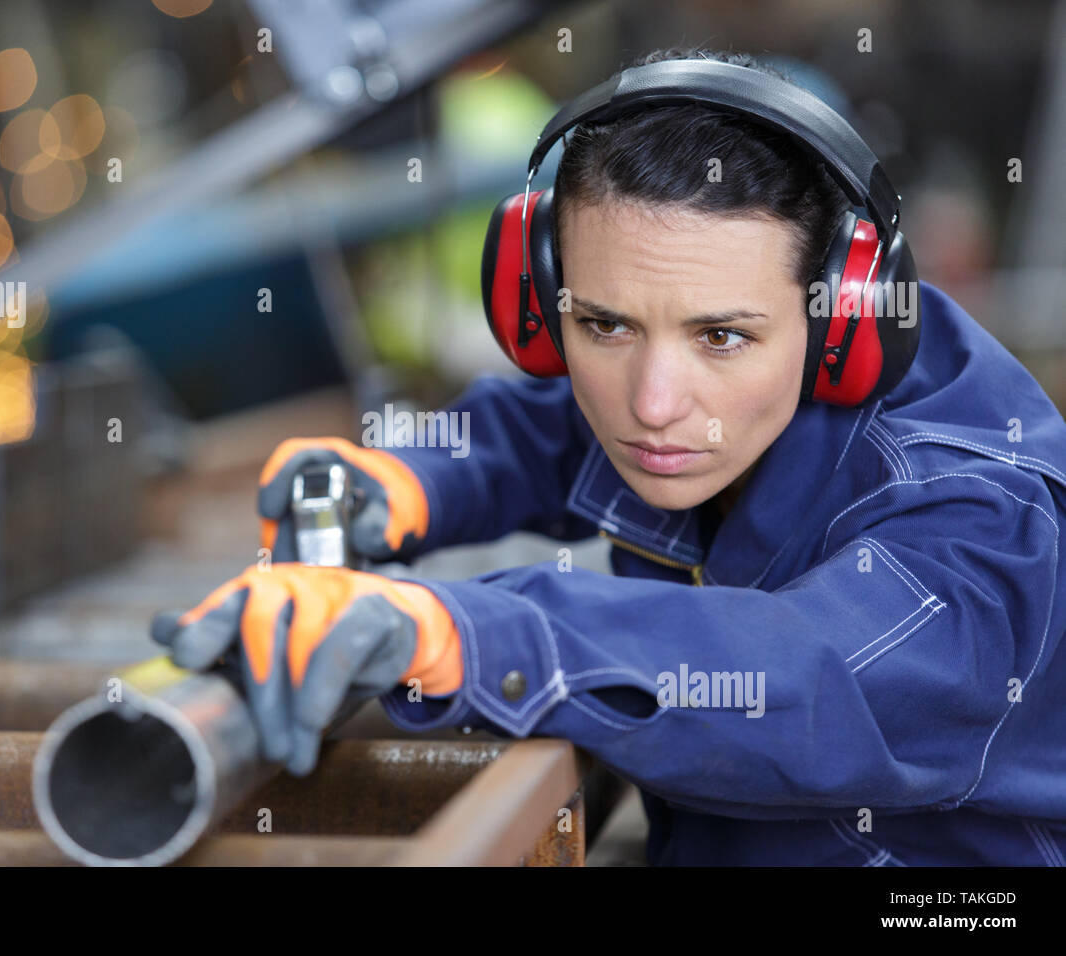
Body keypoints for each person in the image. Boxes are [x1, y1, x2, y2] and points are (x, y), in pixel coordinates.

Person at [151, 48, 1066, 866]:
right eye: (604, 324)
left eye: (721, 336)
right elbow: (541, 428)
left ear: (843, 320)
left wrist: (458, 632)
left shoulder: (981, 521)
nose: (653, 405)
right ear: (541, 298)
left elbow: (805, 674)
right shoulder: (700, 398)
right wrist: (403, 480)